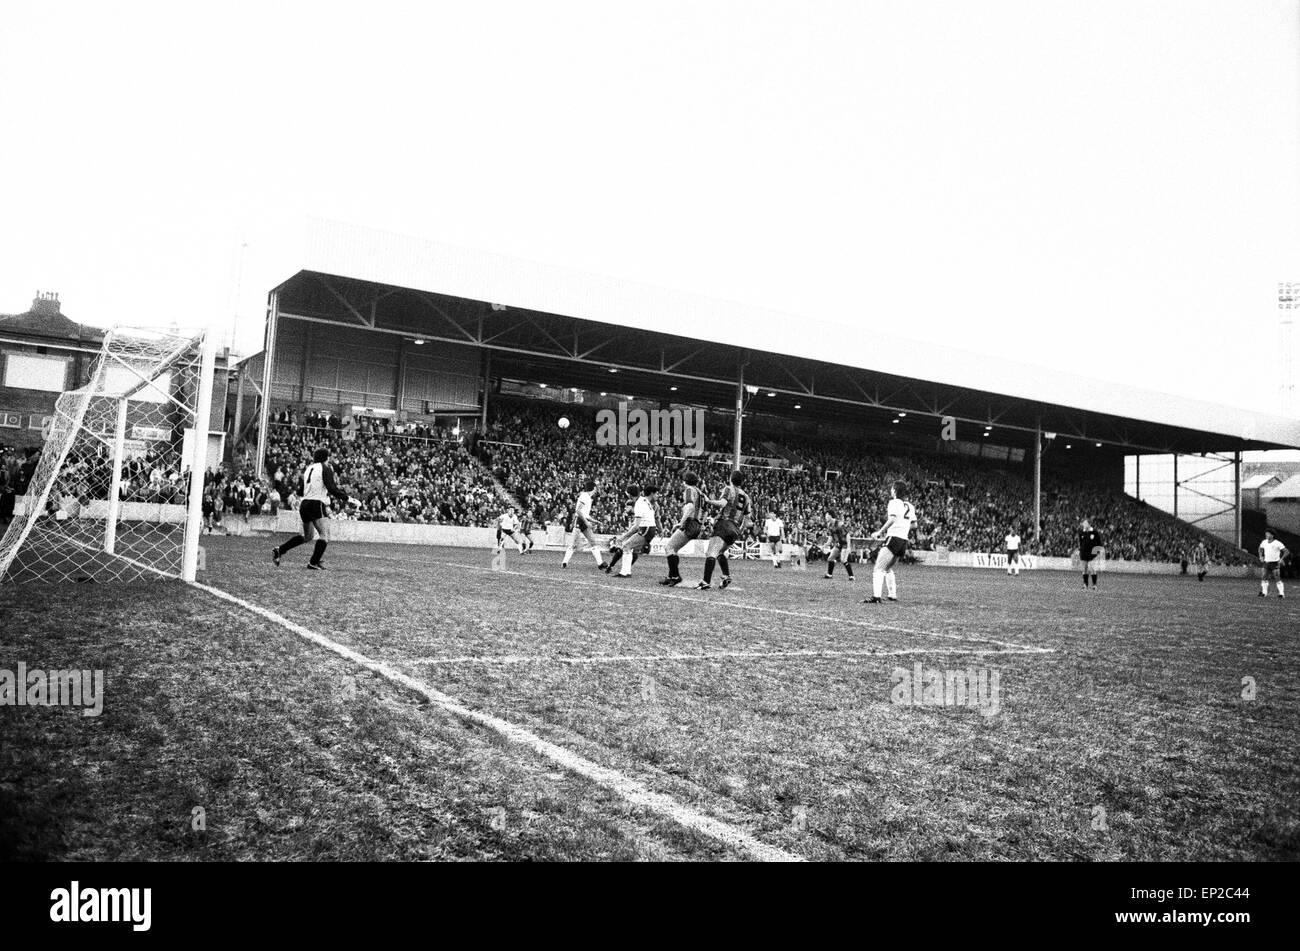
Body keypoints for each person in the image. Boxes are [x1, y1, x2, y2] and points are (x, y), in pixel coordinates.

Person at [271, 448, 352, 570]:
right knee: (324, 535)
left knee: (307, 536)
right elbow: (332, 488)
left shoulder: (309, 469)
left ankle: (280, 550)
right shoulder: (325, 468)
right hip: (316, 503)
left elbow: (300, 490)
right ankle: (313, 563)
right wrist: (348, 498)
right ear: (326, 458)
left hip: (305, 503)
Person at [696, 470, 751, 590]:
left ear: (731, 479)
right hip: (735, 529)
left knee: (711, 552)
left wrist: (708, 500)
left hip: (724, 524)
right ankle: (726, 576)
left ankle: (706, 581)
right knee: (719, 552)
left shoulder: (729, 489)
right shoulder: (746, 497)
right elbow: (747, 518)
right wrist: (740, 530)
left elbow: (722, 503)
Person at [864, 481, 915, 604]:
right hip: (904, 540)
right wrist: (903, 527)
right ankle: (892, 594)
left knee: (878, 568)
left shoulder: (893, 502)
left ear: (895, 490)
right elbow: (914, 524)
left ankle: (876, 597)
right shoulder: (910, 506)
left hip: (894, 537)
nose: (891, 490)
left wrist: (880, 532)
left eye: (892, 488)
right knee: (887, 568)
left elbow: (892, 518)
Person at [660, 471, 704, 586]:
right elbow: (705, 509)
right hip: (696, 525)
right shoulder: (700, 492)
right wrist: (701, 523)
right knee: (673, 549)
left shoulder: (689, 490)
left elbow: (690, 507)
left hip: (689, 524)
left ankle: (675, 576)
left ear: (685, 481)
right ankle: (671, 576)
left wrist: (680, 522)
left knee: (669, 547)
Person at [561, 478, 605, 569]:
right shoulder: (584, 496)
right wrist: (586, 522)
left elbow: (585, 514)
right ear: (593, 488)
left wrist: (594, 521)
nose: (596, 489)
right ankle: (564, 562)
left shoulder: (587, 497)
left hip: (583, 520)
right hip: (579, 521)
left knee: (593, 542)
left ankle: (600, 564)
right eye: (595, 487)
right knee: (573, 544)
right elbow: (578, 510)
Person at [823, 511, 854, 582]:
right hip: (838, 544)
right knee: (830, 558)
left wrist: (849, 547)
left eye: (827, 516)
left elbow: (847, 535)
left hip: (845, 544)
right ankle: (829, 574)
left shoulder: (839, 524)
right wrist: (827, 543)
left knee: (843, 560)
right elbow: (831, 536)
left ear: (831, 516)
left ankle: (851, 576)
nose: (825, 517)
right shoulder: (829, 524)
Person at [1258, 531, 1289, 598]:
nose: (1266, 535)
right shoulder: (1264, 542)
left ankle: (1281, 594)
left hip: (1275, 563)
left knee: (1277, 577)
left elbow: (1286, 551)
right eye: (1266, 534)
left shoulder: (1277, 543)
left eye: (1268, 534)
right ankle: (1264, 593)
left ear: (1272, 535)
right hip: (1266, 562)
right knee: (1264, 577)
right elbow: (1260, 548)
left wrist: (1281, 559)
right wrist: (1260, 556)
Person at [1079, 519, 1104, 589]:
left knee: (1092, 569)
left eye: (1085, 523)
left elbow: (1099, 543)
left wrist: (1097, 553)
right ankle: (1085, 584)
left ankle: (1094, 585)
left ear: (1089, 524)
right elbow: (1081, 543)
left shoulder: (1094, 532)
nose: (1083, 524)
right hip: (1084, 553)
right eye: (1083, 523)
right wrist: (1081, 550)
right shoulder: (1081, 532)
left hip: (1092, 554)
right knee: (1084, 569)